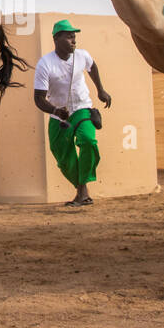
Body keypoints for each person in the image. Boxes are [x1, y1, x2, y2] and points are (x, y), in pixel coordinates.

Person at [33, 20, 111, 206]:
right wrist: (55, 111)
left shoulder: (82, 55)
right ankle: (81, 190)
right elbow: (38, 99)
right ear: (56, 38)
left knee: (88, 140)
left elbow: (92, 67)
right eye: (69, 37)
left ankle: (83, 189)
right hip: (59, 115)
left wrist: (101, 89)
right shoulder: (45, 64)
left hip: (83, 108)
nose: (73, 40)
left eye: (74, 36)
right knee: (64, 158)